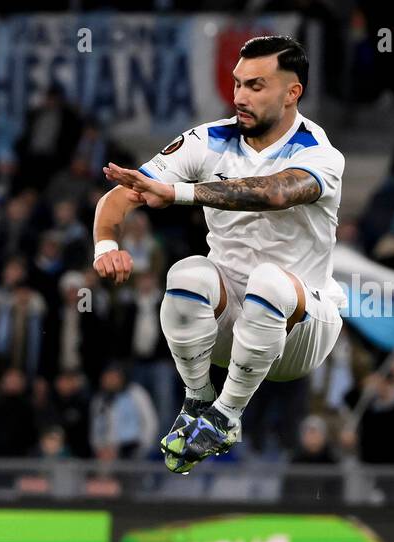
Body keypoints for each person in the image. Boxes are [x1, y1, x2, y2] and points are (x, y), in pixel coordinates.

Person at [95, 35, 345, 474]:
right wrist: (106, 245)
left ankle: (227, 416)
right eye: (237, 84)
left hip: (302, 328)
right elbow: (120, 196)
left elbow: (273, 193)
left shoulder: (320, 154)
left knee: (269, 281)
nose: (240, 97)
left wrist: (176, 193)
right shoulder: (207, 140)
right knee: (186, 274)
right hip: (232, 321)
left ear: (292, 93)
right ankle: (198, 402)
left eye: (255, 86)